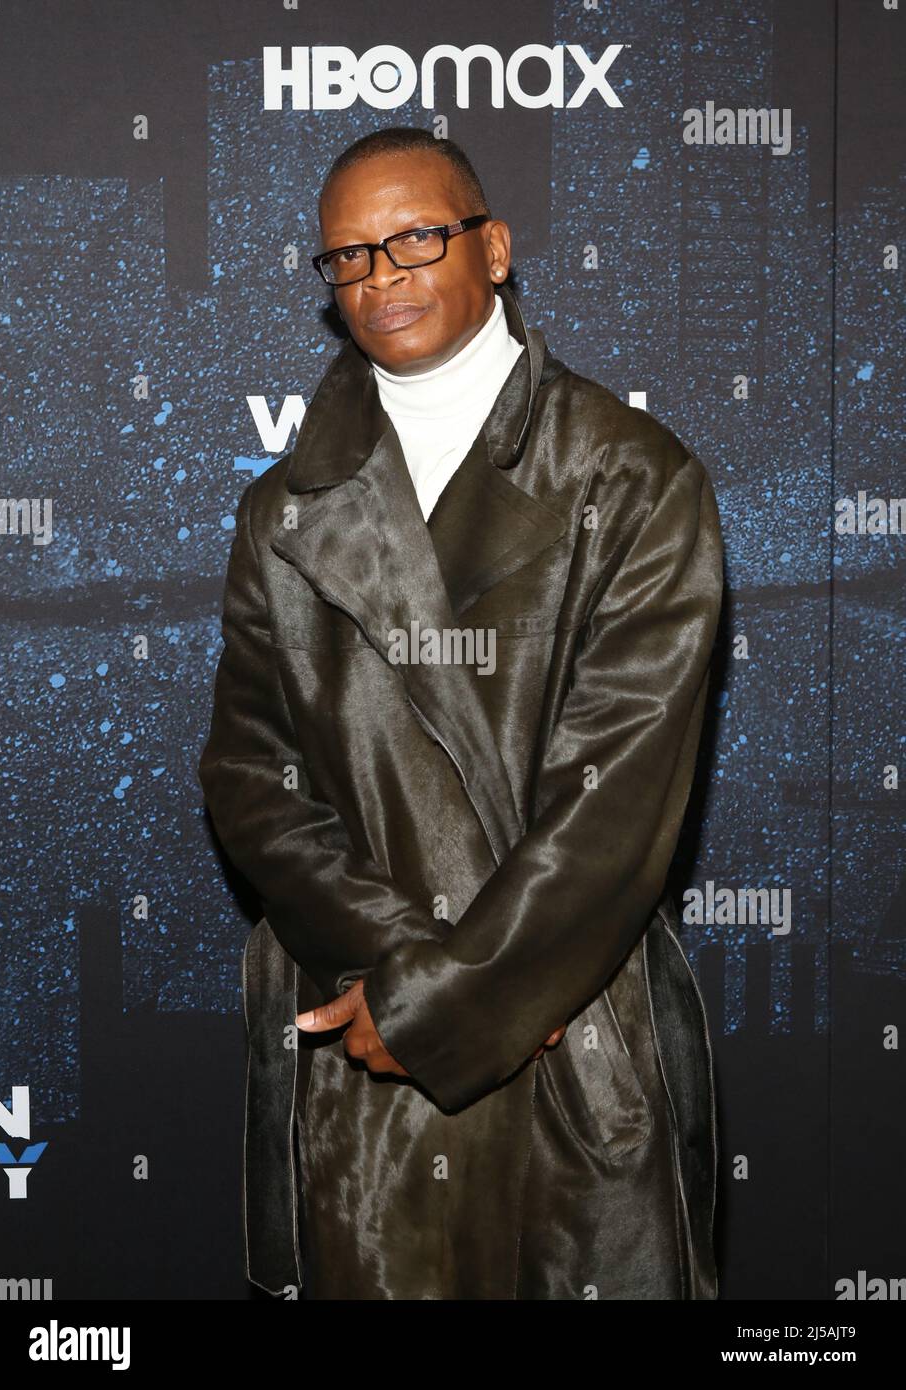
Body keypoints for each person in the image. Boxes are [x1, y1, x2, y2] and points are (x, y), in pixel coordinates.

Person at [198, 126, 724, 1300]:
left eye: (415, 240)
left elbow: (620, 798)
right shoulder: (283, 510)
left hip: (568, 1035)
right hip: (364, 1037)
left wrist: (472, 993)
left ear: (492, 247)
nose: (381, 278)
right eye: (349, 259)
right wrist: (409, 985)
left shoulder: (633, 476)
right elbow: (248, 775)